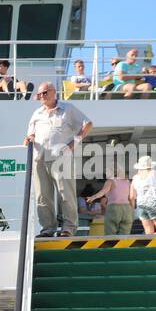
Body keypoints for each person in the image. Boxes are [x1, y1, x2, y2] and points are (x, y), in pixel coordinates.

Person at [25, 83, 92, 237]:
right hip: (40, 158)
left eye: (45, 92)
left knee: (66, 194)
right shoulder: (37, 113)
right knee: (42, 196)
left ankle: (68, 228)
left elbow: (87, 124)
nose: (42, 96)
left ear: (54, 92)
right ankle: (48, 229)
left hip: (62, 158)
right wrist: (29, 138)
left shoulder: (68, 109)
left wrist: (73, 144)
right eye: (40, 94)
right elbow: (31, 133)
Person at [85, 167, 134, 235]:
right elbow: (131, 197)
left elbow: (103, 191)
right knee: (125, 232)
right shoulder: (127, 181)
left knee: (111, 231)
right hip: (127, 208)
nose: (105, 174)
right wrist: (132, 209)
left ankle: (112, 244)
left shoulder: (110, 181)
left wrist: (93, 197)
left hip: (114, 208)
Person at [130, 154, 156, 234]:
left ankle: (151, 245)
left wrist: (132, 209)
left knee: (148, 231)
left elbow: (132, 196)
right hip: (154, 202)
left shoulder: (135, 178)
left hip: (141, 204)